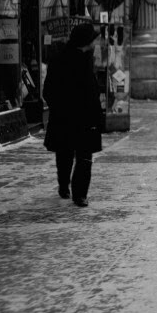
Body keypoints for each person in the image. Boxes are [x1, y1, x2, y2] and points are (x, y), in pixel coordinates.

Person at [42, 22, 104, 208]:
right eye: (93, 39)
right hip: (81, 117)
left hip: (65, 117)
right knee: (83, 157)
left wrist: (58, 108)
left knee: (65, 152)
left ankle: (65, 186)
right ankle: (79, 195)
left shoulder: (62, 58)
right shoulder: (79, 61)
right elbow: (90, 92)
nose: (95, 42)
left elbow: (48, 91)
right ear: (86, 41)